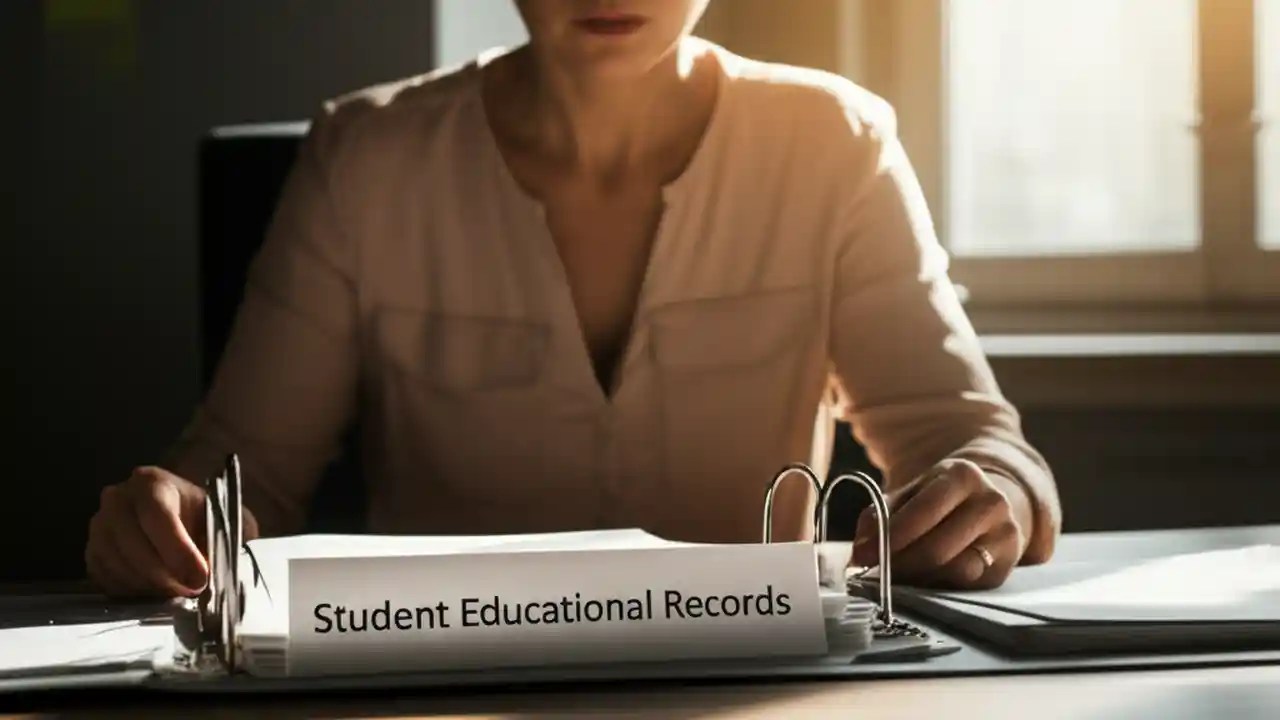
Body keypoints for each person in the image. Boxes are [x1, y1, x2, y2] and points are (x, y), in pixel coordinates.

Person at [85, 0, 1062, 600]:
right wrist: (169, 518)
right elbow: (240, 478)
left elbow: (974, 442)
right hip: (443, 687)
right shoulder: (365, 158)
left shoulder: (835, 143)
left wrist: (994, 494)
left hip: (755, 682)